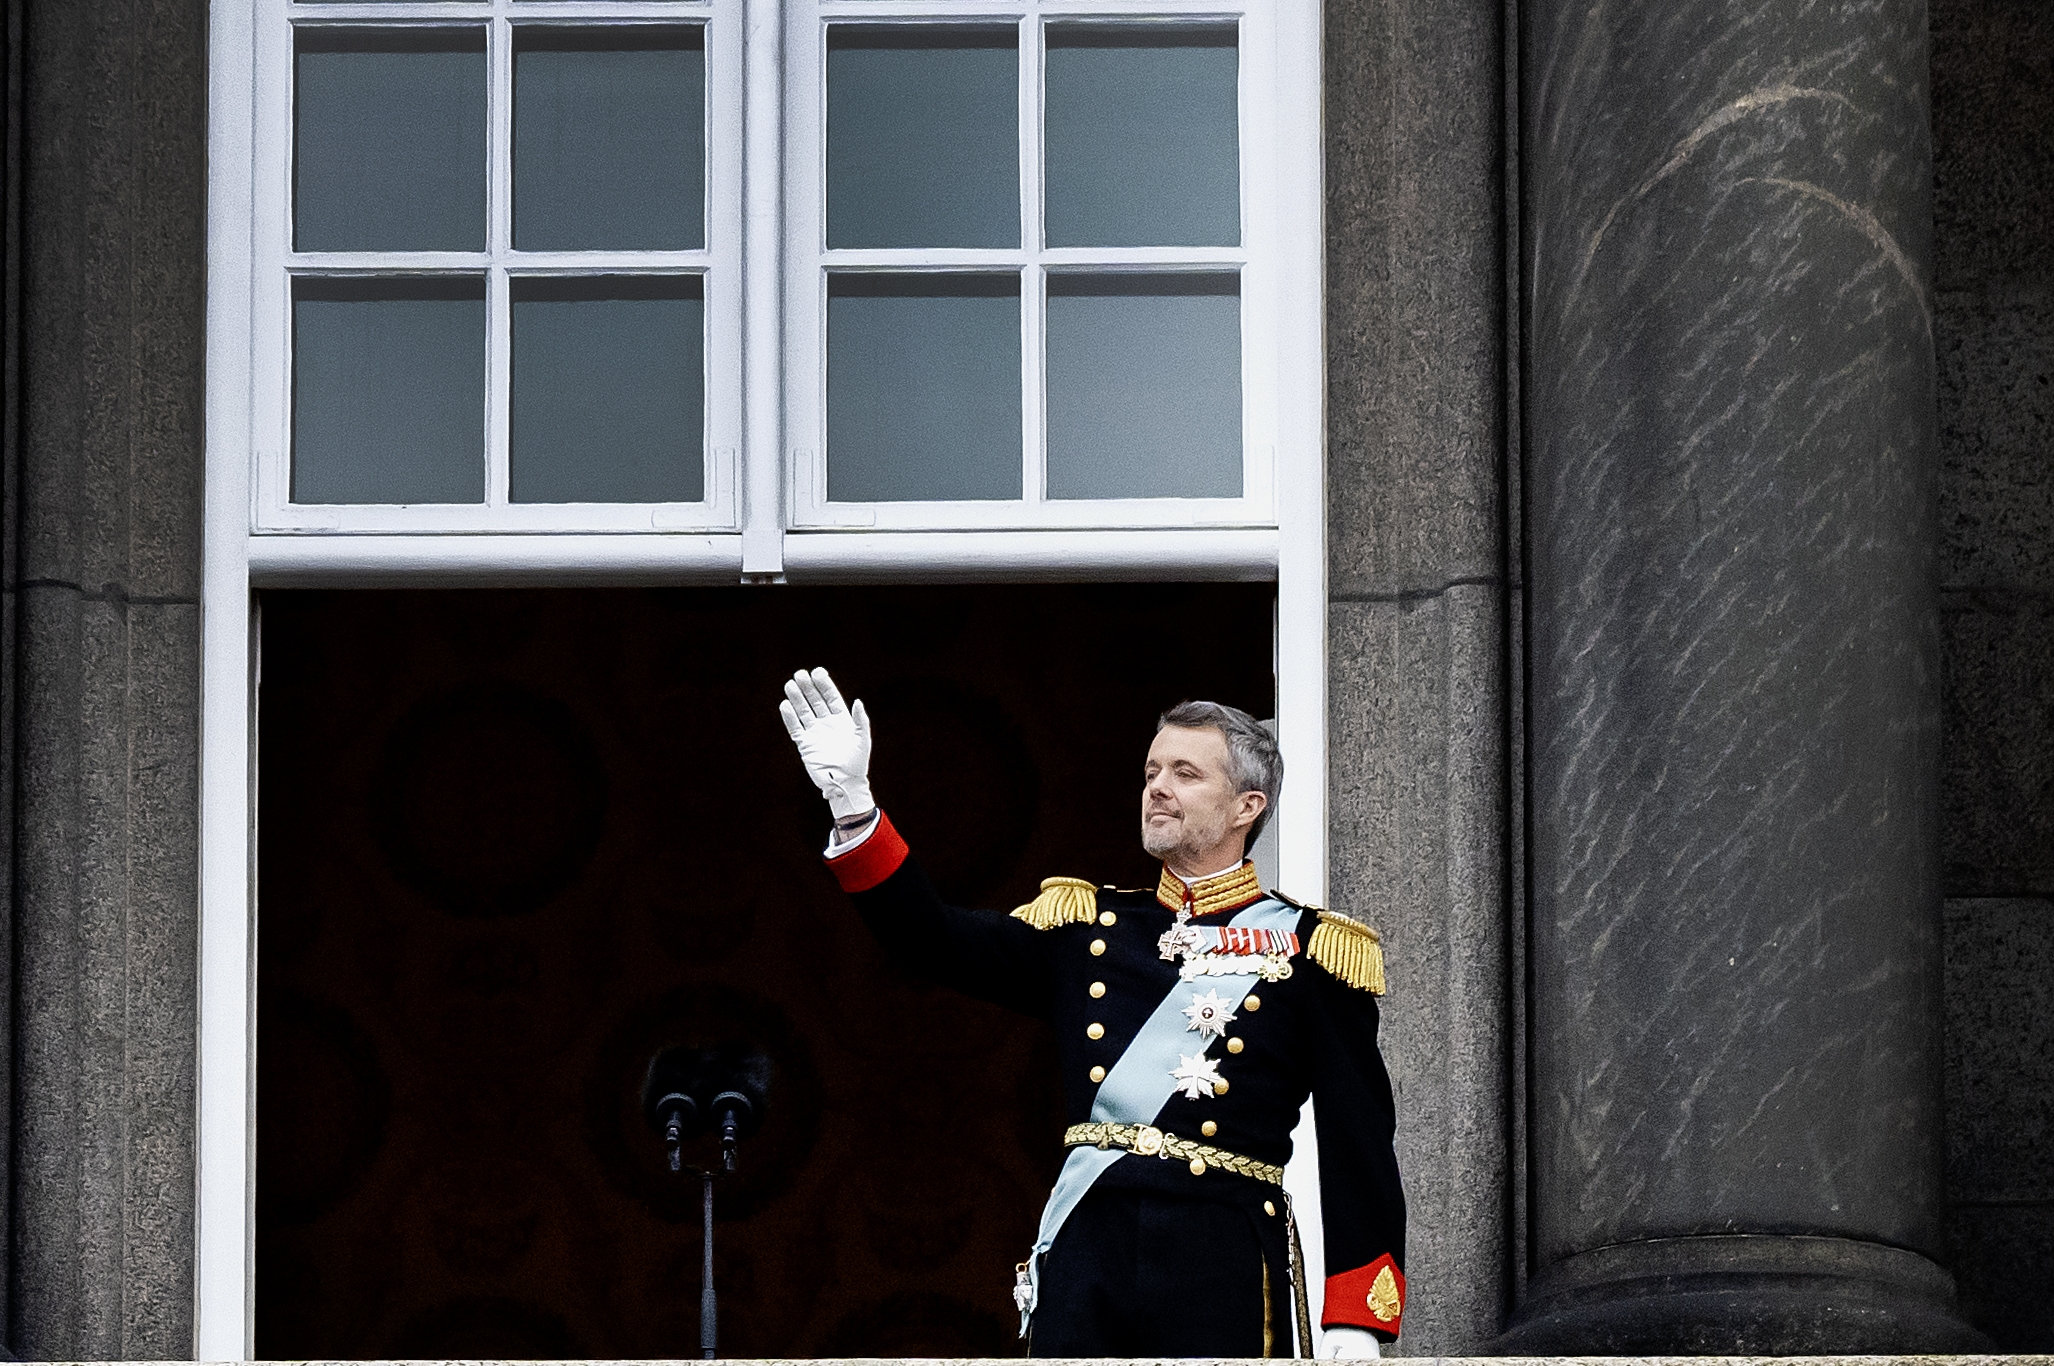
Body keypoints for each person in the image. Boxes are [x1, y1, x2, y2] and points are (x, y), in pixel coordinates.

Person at [780, 668, 1405, 1359]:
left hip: (1219, 1256)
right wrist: (853, 805)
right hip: (1088, 1248)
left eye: (1185, 774)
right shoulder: (1086, 929)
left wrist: (1356, 1317)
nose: (1157, 787)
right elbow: (931, 938)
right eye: (1152, 771)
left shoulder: (1312, 953)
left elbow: (1358, 1141)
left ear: (1246, 806)